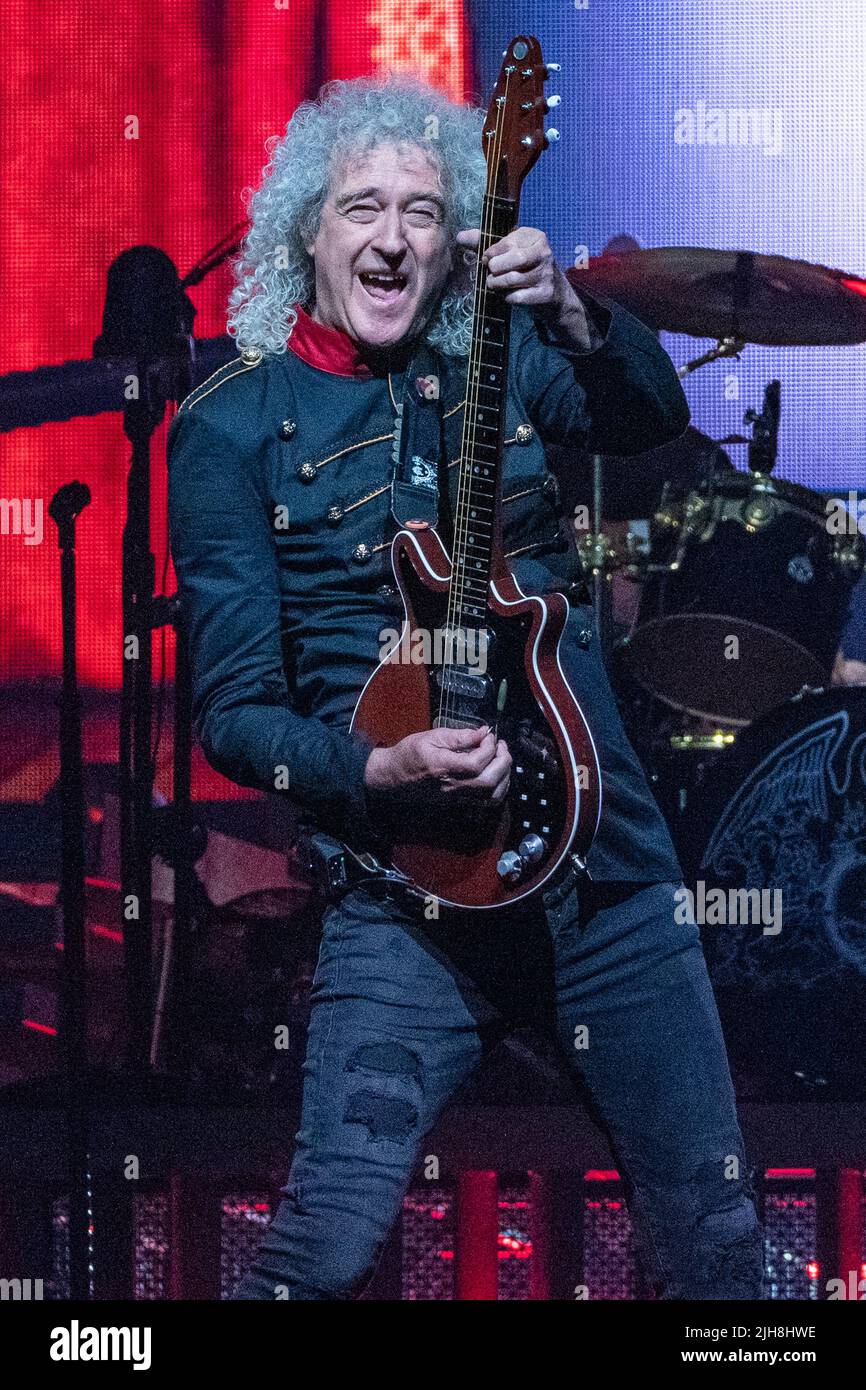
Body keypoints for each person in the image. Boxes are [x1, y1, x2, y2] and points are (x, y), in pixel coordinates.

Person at [167, 74, 762, 1300]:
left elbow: (645, 417)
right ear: (307, 232)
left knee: (713, 1247)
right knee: (320, 1248)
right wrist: (374, 771)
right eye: (360, 208)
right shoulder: (230, 428)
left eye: (422, 211)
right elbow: (233, 714)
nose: (390, 237)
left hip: (606, 883)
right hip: (407, 904)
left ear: (455, 242)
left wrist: (579, 314)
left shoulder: (502, 365)